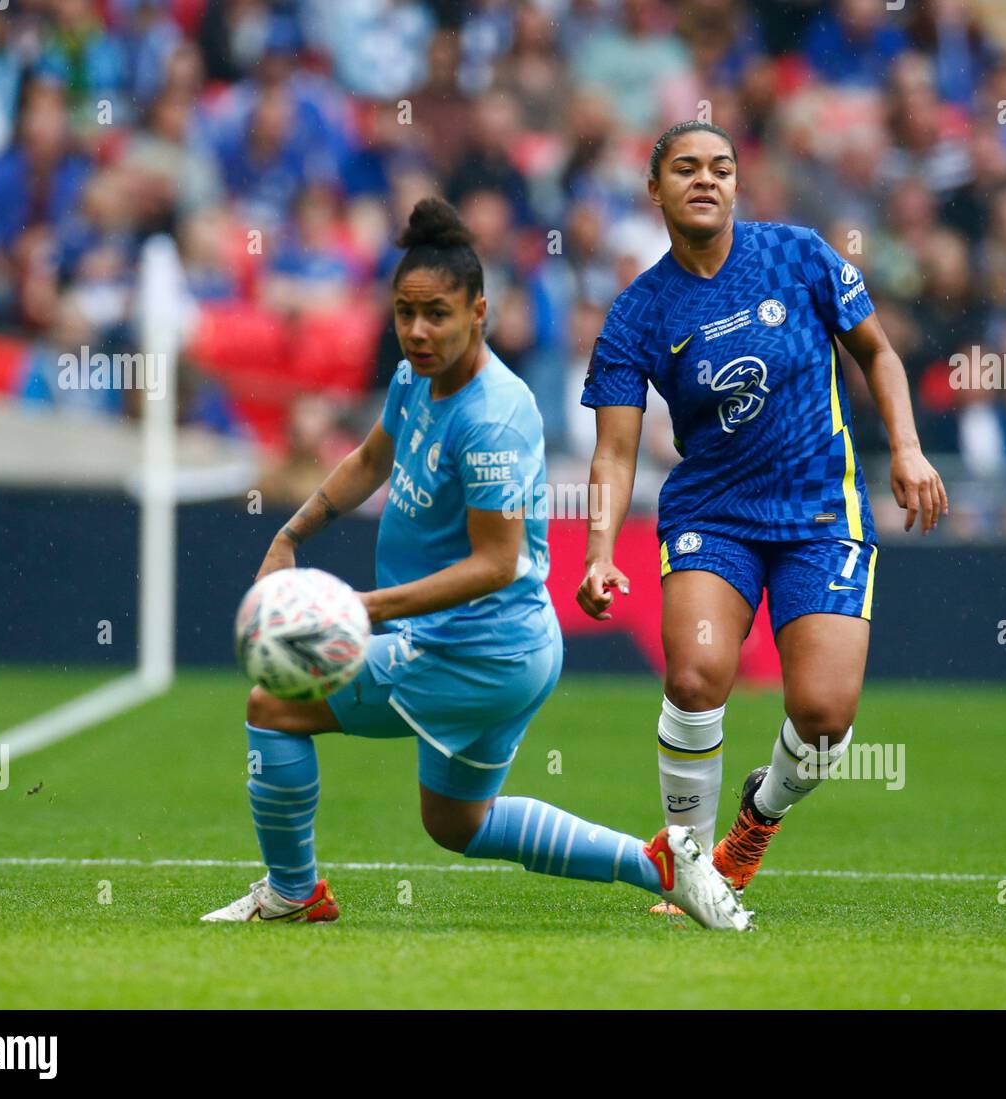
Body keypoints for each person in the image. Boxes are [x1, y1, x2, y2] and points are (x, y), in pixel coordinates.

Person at [203, 197, 749, 931]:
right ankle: (660, 863)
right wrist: (290, 535)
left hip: (472, 649)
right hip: (501, 648)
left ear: (480, 312)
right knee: (457, 822)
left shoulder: (493, 414)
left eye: (437, 314)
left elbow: (499, 562)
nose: (418, 331)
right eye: (404, 312)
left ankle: (294, 893)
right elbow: (372, 457)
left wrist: (363, 609)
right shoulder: (413, 380)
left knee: (273, 705)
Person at [577, 122, 947, 908]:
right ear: (655, 189)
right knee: (696, 674)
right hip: (714, 515)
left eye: (721, 166)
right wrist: (599, 550)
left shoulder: (800, 254)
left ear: (737, 183)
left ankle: (757, 820)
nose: (705, 179)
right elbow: (614, 453)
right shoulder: (638, 313)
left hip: (823, 511)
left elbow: (877, 352)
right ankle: (690, 871)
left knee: (822, 713)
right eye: (685, 168)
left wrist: (907, 449)